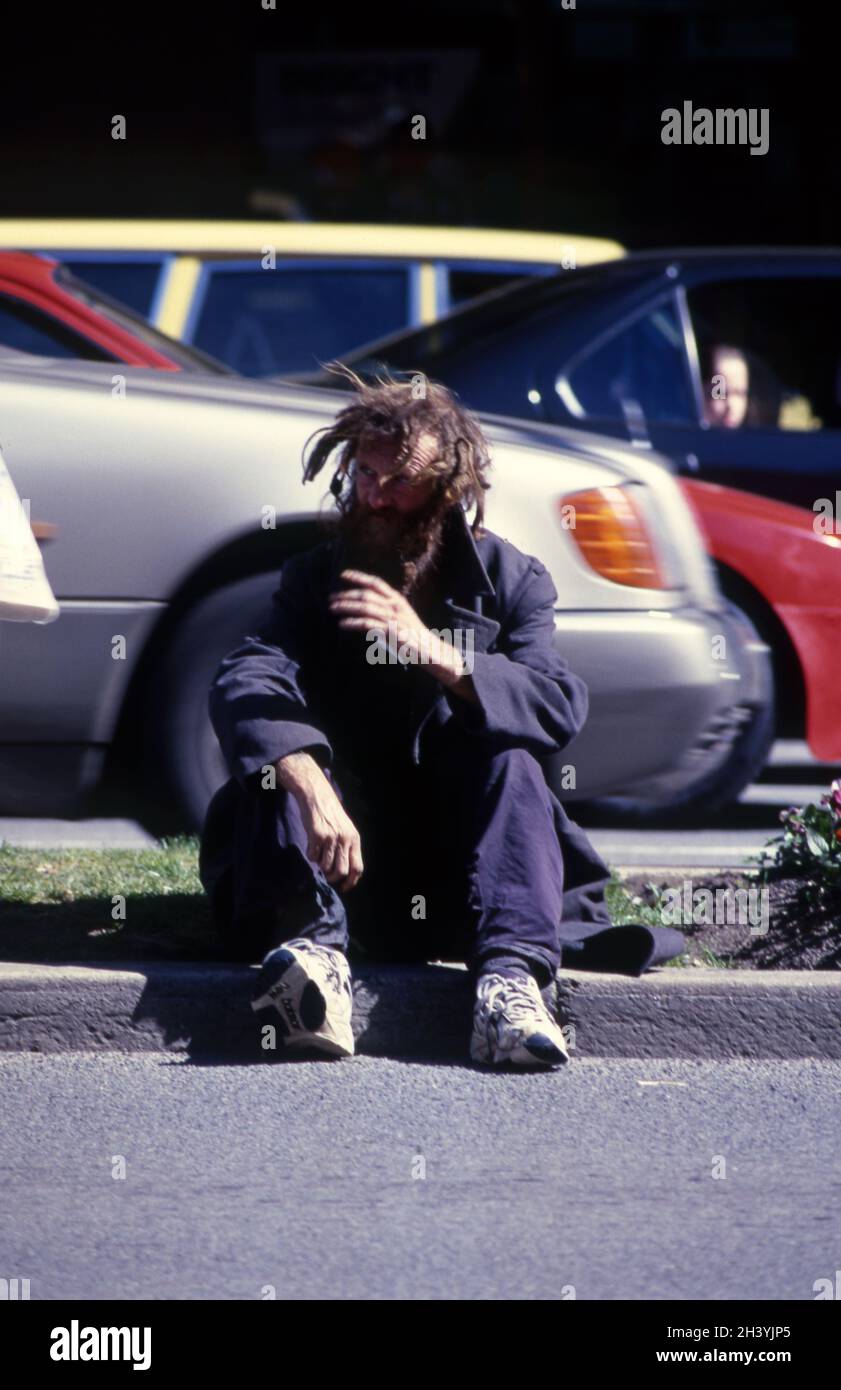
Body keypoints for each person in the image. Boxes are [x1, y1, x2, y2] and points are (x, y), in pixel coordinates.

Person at [199, 370, 686, 1068]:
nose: (373, 496)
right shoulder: (314, 576)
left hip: (462, 877)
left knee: (512, 758)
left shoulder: (513, 581)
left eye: (397, 481)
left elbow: (556, 705)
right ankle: (312, 971)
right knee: (283, 766)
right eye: (363, 473)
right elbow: (247, 675)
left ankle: (510, 987)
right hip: (339, 865)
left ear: (448, 488)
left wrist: (436, 654)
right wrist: (307, 782)